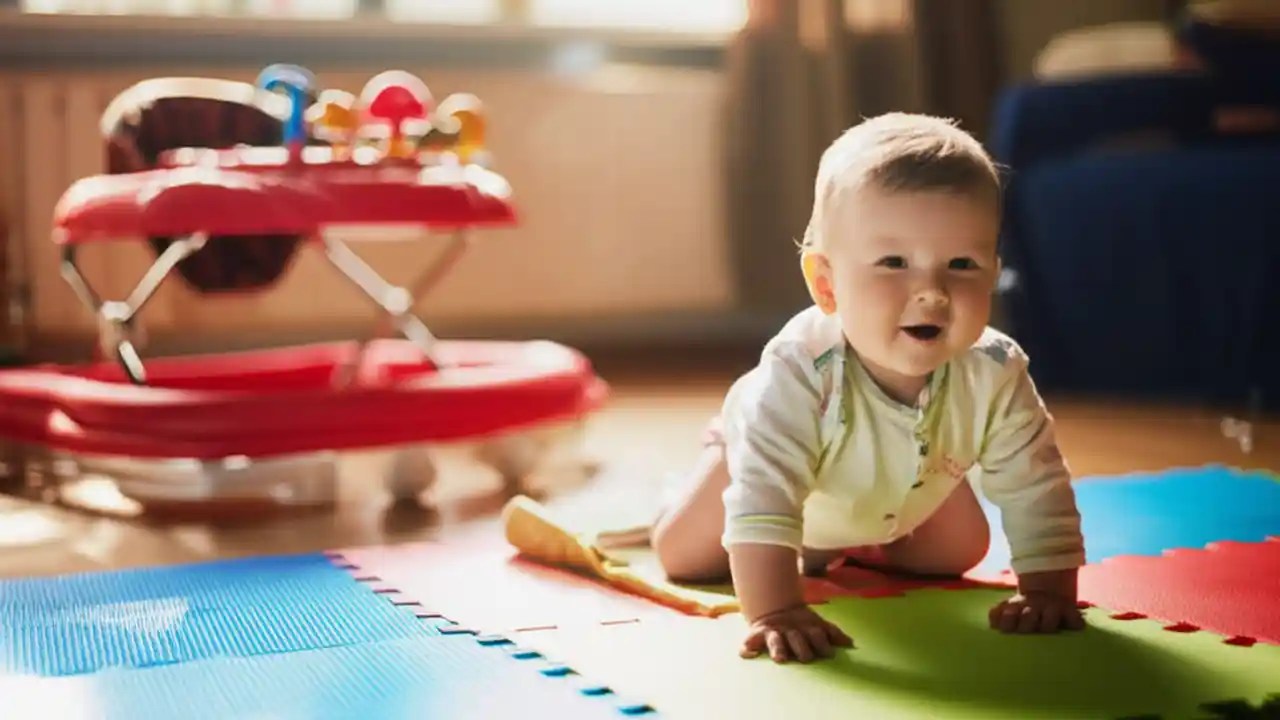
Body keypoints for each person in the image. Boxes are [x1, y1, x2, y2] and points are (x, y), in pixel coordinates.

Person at [650, 112, 1086, 664]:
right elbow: (766, 495)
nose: (931, 291)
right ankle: (713, 484)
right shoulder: (801, 369)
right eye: (893, 263)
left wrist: (1046, 591)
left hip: (907, 473)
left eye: (961, 264)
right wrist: (776, 610)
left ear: (993, 271)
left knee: (958, 552)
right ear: (827, 285)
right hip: (764, 463)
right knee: (685, 557)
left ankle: (845, 539)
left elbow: (1037, 485)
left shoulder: (995, 370)